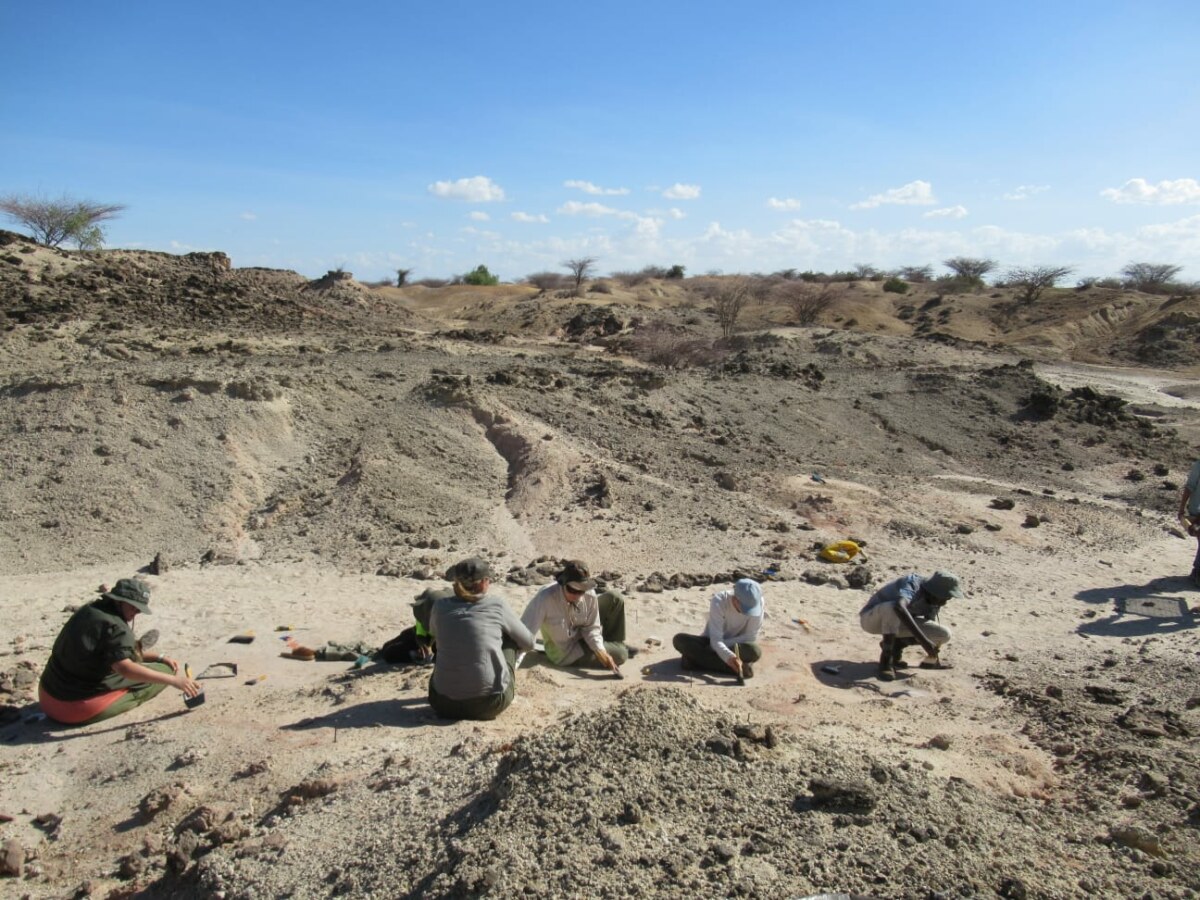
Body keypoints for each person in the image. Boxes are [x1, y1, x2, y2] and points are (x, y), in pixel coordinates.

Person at [38, 578, 201, 726]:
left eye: (139, 610)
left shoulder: (88, 610)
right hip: (73, 708)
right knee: (166, 672)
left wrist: (159, 656)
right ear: (120, 601)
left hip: (46, 693)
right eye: (133, 608)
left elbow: (102, 652)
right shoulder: (117, 627)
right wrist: (175, 681)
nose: (135, 613)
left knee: (155, 665)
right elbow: (124, 668)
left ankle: (143, 657)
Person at [427, 557, 534, 721]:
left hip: (442, 704)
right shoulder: (496, 605)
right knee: (510, 638)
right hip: (488, 705)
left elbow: (434, 633)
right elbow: (528, 642)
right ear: (484, 582)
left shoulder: (440, 606)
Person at [521, 560, 633, 674]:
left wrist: (601, 651)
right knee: (622, 654)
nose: (577, 596)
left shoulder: (588, 594)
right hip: (567, 651)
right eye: (573, 590)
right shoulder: (545, 598)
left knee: (615, 598)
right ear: (563, 584)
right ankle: (616, 648)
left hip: (583, 633)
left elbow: (591, 628)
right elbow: (523, 634)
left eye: (581, 591)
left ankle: (613, 645)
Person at [859, 571, 962, 681]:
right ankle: (886, 660)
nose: (946, 601)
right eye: (946, 597)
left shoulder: (934, 600)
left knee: (943, 634)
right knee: (892, 607)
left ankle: (896, 647)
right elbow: (899, 607)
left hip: (896, 624)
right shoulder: (912, 583)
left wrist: (931, 656)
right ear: (935, 591)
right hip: (871, 620)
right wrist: (925, 641)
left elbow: (927, 626)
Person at [672, 578, 765, 679]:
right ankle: (733, 668)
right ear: (735, 599)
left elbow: (750, 637)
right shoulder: (720, 600)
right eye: (745, 608)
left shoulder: (758, 602)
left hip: (736, 645)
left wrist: (727, 652)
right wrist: (729, 657)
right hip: (710, 642)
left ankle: (696, 662)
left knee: (754, 651)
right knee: (680, 640)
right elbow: (715, 640)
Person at [1179, 457, 1200, 588]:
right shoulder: (1199, 466)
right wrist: (1181, 508)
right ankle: (1197, 572)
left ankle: (1196, 570)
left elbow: (1189, 487)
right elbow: (1189, 487)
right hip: (1197, 510)